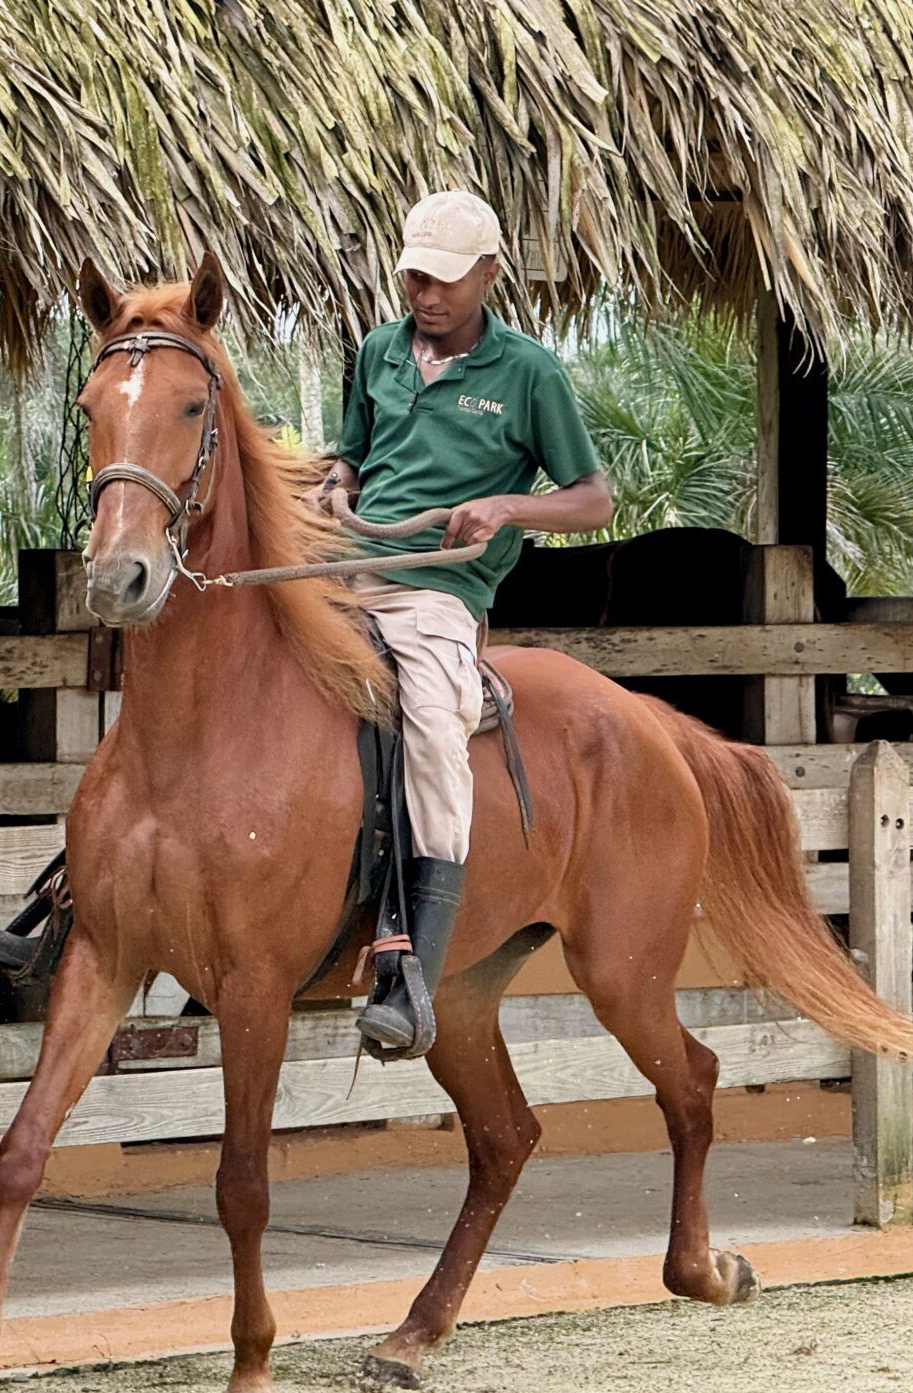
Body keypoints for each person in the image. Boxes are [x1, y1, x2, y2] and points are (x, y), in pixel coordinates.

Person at [318, 190, 613, 1055]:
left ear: (489, 274)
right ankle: (71, 897)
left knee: (435, 730)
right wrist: (336, 482)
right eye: (415, 276)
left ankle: (411, 973)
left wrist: (507, 507)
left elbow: (593, 500)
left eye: (446, 280)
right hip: (343, 568)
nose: (427, 295)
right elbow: (352, 449)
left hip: (438, 595)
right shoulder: (376, 350)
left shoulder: (530, 373)